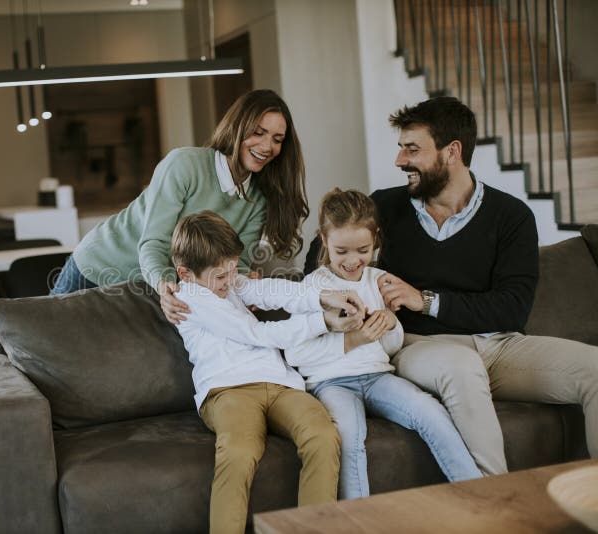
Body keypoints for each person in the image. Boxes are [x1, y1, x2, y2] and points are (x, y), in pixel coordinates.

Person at [371, 96, 598, 475]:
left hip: (500, 346)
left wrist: (424, 300)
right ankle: (496, 506)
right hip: (419, 346)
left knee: (595, 367)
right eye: (401, 148)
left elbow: (511, 308)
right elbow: (326, 252)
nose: (400, 161)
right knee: (461, 365)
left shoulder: (511, 217)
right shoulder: (384, 208)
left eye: (412, 149)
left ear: (452, 152)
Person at [170, 210, 363, 534]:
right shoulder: (190, 297)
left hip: (281, 385)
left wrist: (322, 296)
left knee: (324, 437)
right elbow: (256, 333)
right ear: (186, 274)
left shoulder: (227, 283)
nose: (230, 280)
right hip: (228, 391)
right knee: (239, 452)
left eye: (233, 269)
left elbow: (273, 291)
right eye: (221, 276)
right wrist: (323, 321)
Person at [50, 89, 309, 325]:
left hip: (152, 285)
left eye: (277, 139)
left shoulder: (258, 199)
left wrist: (242, 286)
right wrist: (165, 285)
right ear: (238, 128)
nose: (267, 147)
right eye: (258, 132)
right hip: (100, 265)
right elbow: (154, 242)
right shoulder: (184, 165)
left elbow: (237, 262)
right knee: (42, 335)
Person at [285, 188, 482, 499]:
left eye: (363, 249)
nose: (353, 261)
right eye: (342, 251)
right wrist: (353, 339)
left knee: (430, 411)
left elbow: (388, 348)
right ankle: (361, 520)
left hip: (378, 377)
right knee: (349, 437)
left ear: (375, 239)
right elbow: (297, 353)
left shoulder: (379, 280)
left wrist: (391, 323)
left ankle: (481, 496)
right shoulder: (313, 289)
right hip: (332, 384)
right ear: (324, 240)